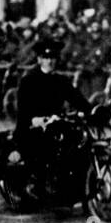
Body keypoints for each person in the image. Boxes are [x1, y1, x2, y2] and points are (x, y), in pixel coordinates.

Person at [13, 39, 90, 189]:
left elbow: (77, 98)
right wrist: (34, 119)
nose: (50, 61)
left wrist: (91, 110)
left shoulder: (61, 80)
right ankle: (37, 184)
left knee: (78, 144)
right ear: (39, 59)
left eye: (53, 58)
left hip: (56, 124)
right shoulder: (29, 80)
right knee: (43, 149)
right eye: (46, 58)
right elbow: (23, 108)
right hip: (31, 127)